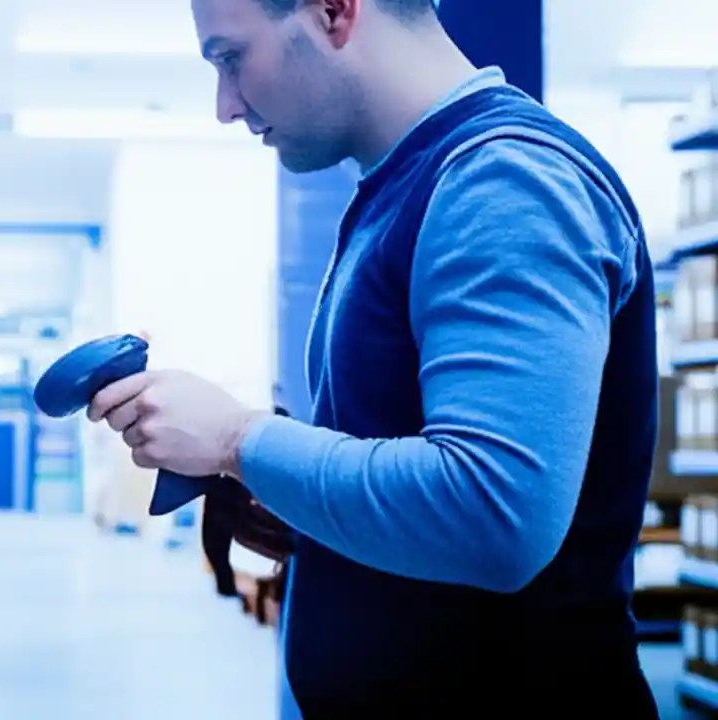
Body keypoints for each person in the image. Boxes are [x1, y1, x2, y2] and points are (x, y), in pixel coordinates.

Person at [86, 0, 660, 716]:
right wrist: (291, 496)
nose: (225, 106)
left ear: (334, 11)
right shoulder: (411, 184)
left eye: (231, 58)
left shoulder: (503, 182)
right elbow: (417, 463)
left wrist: (238, 439)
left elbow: (493, 515)